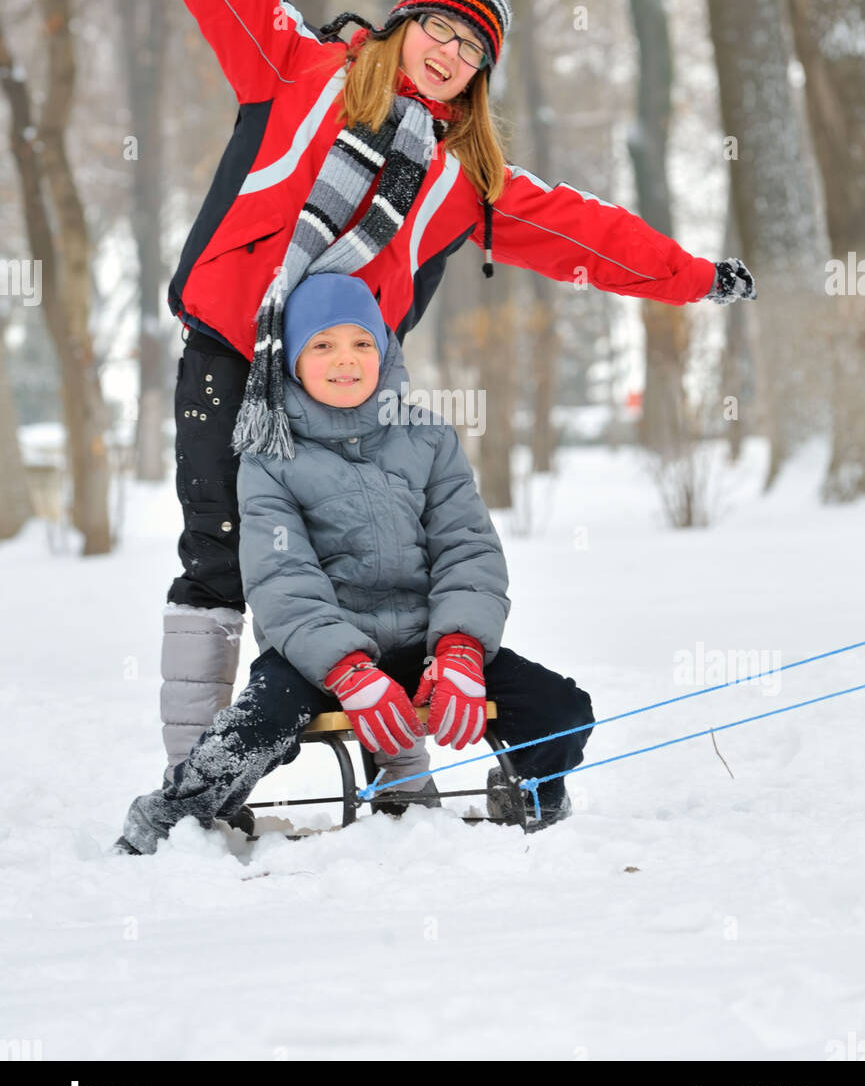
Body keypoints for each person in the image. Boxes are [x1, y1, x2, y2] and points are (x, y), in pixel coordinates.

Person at [107, 0, 757, 788]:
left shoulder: (464, 182)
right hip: (231, 354)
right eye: (440, 30)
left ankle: (395, 761)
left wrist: (692, 277)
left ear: (478, 77)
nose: (449, 55)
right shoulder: (297, 70)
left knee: (371, 574)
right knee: (217, 557)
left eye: (471, 51)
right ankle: (198, 783)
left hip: (345, 394)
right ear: (406, 21)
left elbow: (587, 232)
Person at [116, 275, 595, 854]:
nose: (346, 360)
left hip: (426, 646)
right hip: (316, 657)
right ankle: (175, 816)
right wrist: (348, 672)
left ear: (384, 351)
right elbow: (280, 576)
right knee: (251, 731)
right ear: (292, 360)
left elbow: (467, 548)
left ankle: (534, 792)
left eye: (361, 343)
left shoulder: (428, 437)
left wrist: (462, 650)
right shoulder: (271, 453)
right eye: (323, 345)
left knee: (562, 708)